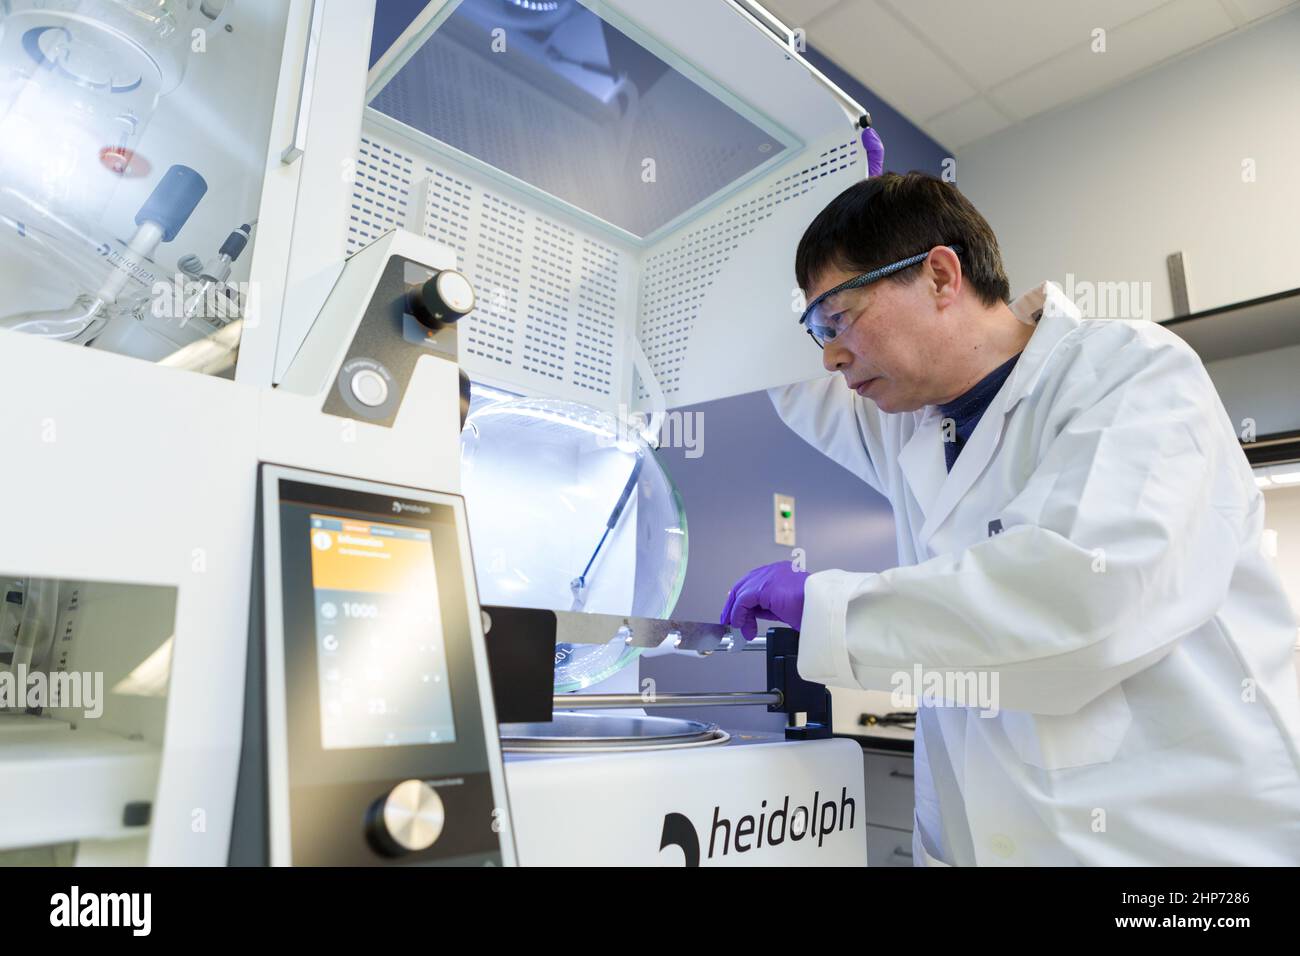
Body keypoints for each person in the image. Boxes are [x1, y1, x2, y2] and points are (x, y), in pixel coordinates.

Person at [720, 171, 1300, 866]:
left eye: (839, 321)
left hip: (1179, 854)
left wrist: (827, 607)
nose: (831, 355)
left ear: (940, 275)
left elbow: (1079, 604)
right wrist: (808, 181)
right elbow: (775, 369)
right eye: (818, 332)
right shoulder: (908, 426)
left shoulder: (1131, 372)